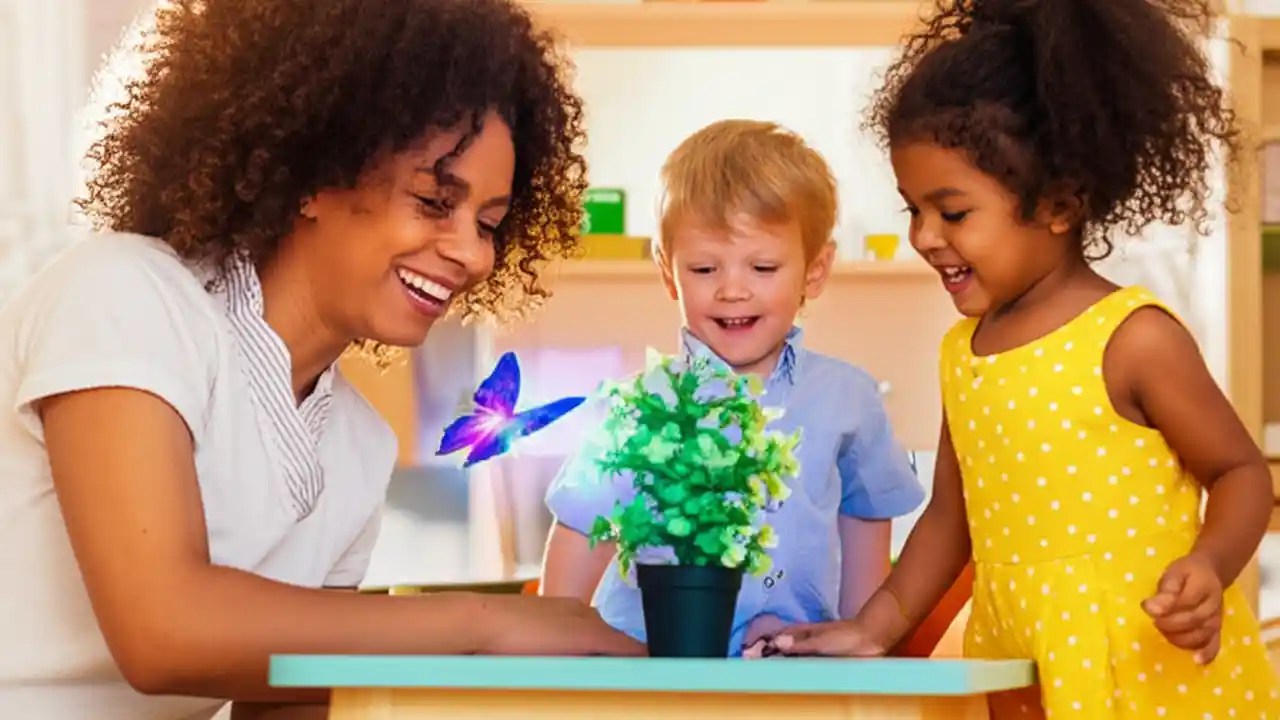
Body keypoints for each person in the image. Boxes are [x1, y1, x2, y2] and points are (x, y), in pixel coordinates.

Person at [0, 0, 644, 718]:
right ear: (313, 174)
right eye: (435, 201)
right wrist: (487, 625)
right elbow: (163, 631)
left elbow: (287, 694)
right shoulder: (125, 294)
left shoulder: (355, 444)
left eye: (489, 224)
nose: (471, 252)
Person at [771, 0, 1280, 716]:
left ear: (1060, 205)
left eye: (952, 212)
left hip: (1145, 672)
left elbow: (1238, 472)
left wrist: (1210, 563)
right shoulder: (963, 353)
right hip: (1022, 659)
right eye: (911, 209)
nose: (923, 235)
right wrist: (873, 628)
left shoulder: (1132, 338)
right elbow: (952, 516)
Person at [539, 119, 926, 657]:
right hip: (648, 672)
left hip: (791, 674)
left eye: (763, 266)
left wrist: (861, 650)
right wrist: (552, 661)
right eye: (703, 268)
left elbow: (866, 524)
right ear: (667, 272)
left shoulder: (849, 400)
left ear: (815, 271)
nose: (732, 289)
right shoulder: (635, 406)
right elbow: (581, 532)